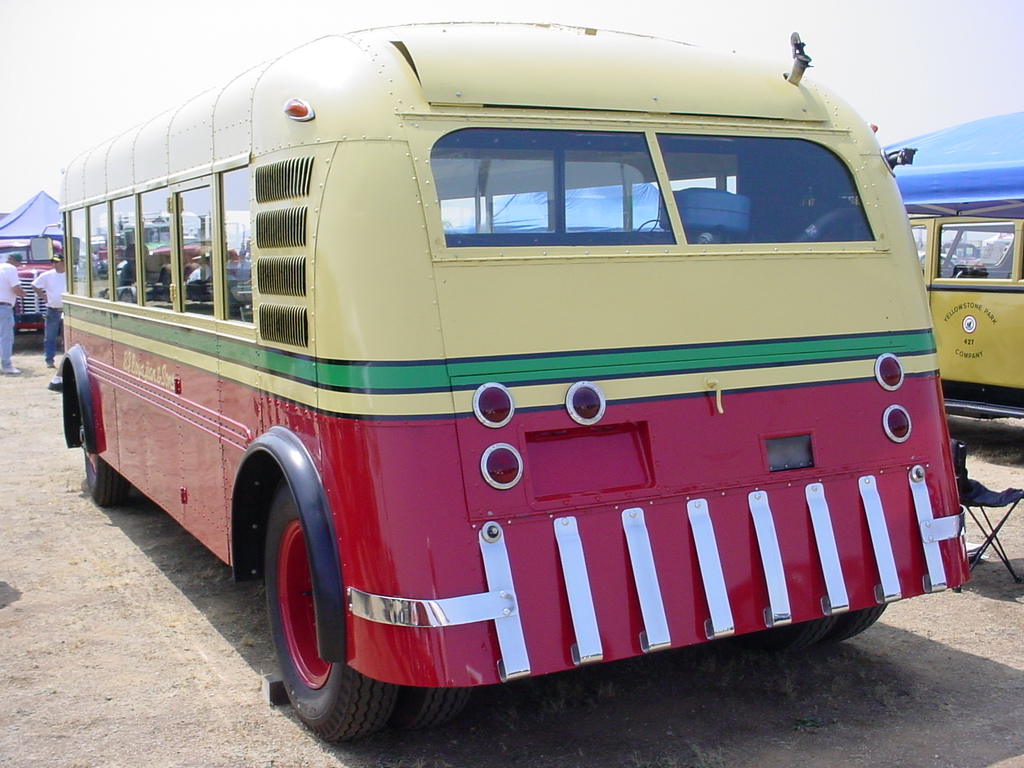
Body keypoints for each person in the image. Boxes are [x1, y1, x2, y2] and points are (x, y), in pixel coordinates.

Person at [32, 254, 67, 369]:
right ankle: (49, 360)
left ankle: (67, 358)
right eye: (54, 262)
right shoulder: (47, 275)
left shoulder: (70, 275)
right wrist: (44, 297)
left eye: (57, 262)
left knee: (67, 336)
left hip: (68, 310)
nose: (55, 264)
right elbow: (34, 285)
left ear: (63, 262)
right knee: (50, 337)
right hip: (53, 309)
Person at [0, 252, 27, 375]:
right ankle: (6, 365)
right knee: (6, 337)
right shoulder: (10, 269)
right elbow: (16, 288)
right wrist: (22, 293)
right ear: (15, 261)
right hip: (3, 306)